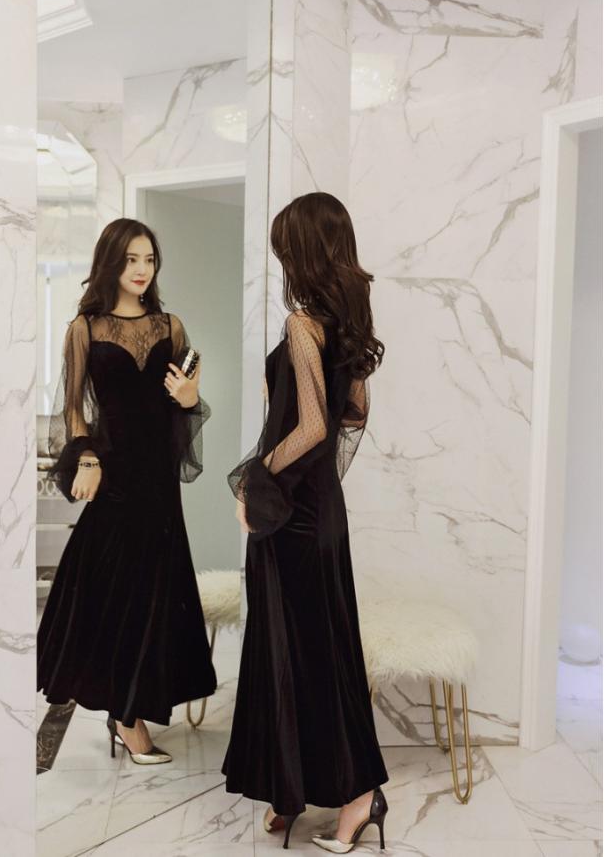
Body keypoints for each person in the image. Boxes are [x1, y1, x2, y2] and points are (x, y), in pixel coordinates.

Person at [222, 193, 389, 851]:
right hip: (322, 512)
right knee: (315, 650)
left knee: (300, 655)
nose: (283, 260)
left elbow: (316, 426)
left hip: (293, 517)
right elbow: (355, 413)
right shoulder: (343, 323)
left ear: (304, 253)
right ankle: (292, 789)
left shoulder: (301, 324)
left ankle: (356, 796)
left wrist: (255, 477)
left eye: (286, 249)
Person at [37, 218, 216, 765]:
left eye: (149, 260)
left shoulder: (171, 326)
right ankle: (124, 712)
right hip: (113, 475)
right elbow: (72, 407)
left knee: (155, 591)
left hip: (157, 480)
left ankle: (131, 710)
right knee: (110, 589)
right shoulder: (84, 328)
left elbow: (184, 405)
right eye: (131, 259)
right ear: (110, 262)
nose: (142, 270)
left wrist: (189, 398)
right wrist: (87, 458)